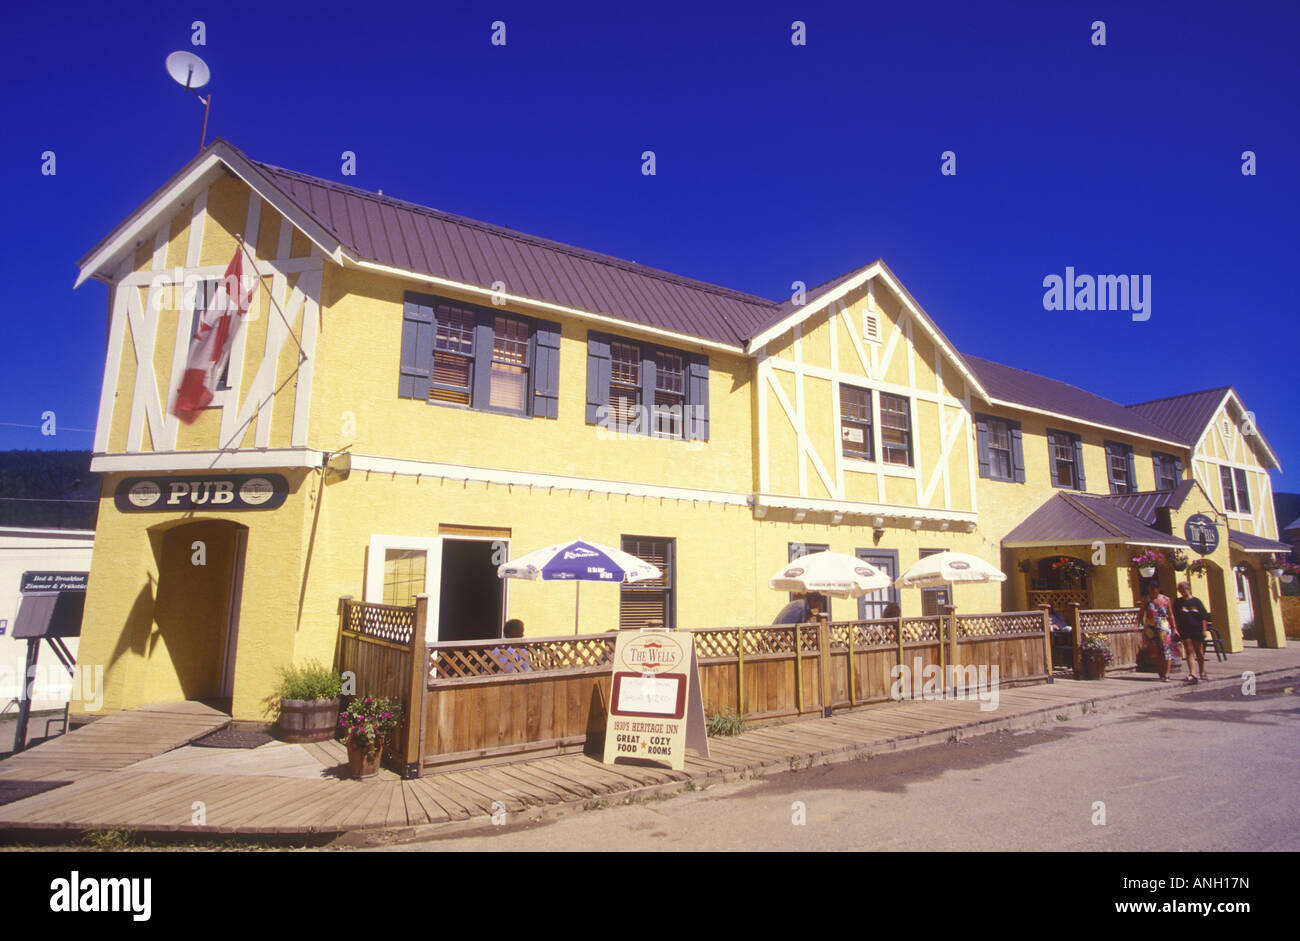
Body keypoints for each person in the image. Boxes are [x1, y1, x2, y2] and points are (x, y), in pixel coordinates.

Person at [1137, 581, 1180, 682]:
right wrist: (1137, 623)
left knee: (1166, 650)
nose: (1151, 592)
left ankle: (1167, 673)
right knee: (1154, 651)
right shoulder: (1146, 599)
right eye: (1150, 590)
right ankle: (1161, 672)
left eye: (1153, 589)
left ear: (1158, 589)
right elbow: (1141, 612)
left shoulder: (1166, 599)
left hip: (1163, 626)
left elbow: (1170, 614)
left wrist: (1174, 627)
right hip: (1150, 627)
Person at [1173, 581, 1210, 682]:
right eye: (1181, 590)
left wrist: (1204, 630)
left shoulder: (1196, 602)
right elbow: (1174, 616)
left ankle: (1202, 671)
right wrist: (1175, 629)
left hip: (1197, 628)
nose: (1183, 592)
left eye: (1185, 590)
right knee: (1189, 651)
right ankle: (1192, 673)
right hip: (1185, 629)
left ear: (1189, 589)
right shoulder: (1178, 602)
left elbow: (1203, 617)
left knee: (1199, 652)